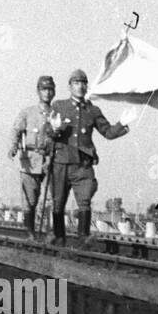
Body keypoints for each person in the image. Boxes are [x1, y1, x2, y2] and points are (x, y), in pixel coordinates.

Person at [47, 70, 130, 243]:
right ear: (70, 86)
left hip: (83, 165)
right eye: (76, 83)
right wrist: (54, 129)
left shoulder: (92, 110)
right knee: (58, 203)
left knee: (84, 201)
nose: (80, 86)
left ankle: (83, 238)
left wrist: (122, 124)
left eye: (83, 83)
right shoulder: (59, 106)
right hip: (61, 162)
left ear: (87, 86)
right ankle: (59, 237)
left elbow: (107, 132)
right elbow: (46, 131)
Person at [8, 75, 57, 239]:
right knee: (30, 199)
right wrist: (14, 147)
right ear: (38, 91)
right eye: (44, 89)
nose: (47, 93)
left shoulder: (57, 113)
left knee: (52, 198)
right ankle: (30, 233)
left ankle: (50, 233)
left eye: (50, 89)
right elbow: (16, 130)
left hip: (50, 160)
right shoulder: (28, 113)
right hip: (30, 160)